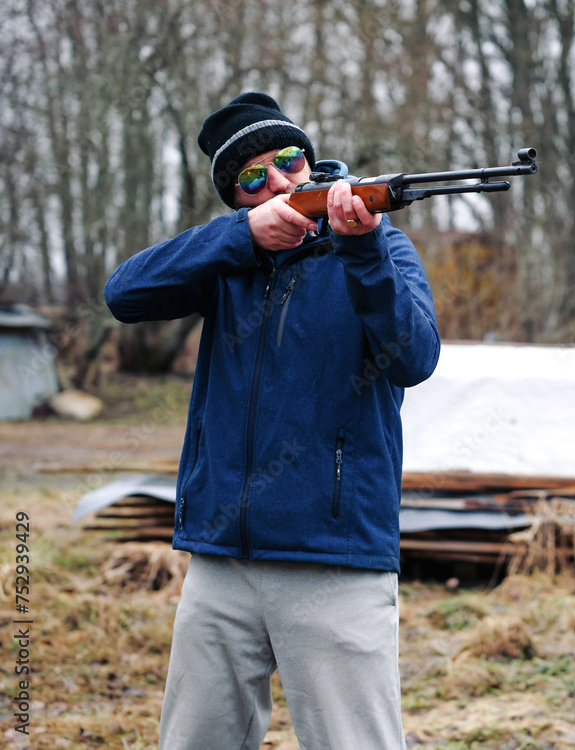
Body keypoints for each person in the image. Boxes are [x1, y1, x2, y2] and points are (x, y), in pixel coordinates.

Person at [104, 92, 440, 749]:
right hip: (219, 557)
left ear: (309, 161)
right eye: (254, 177)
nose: (280, 180)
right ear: (237, 200)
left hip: (335, 556)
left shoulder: (383, 249)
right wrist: (240, 241)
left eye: (289, 161)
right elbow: (124, 293)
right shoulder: (228, 262)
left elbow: (414, 358)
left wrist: (362, 255)